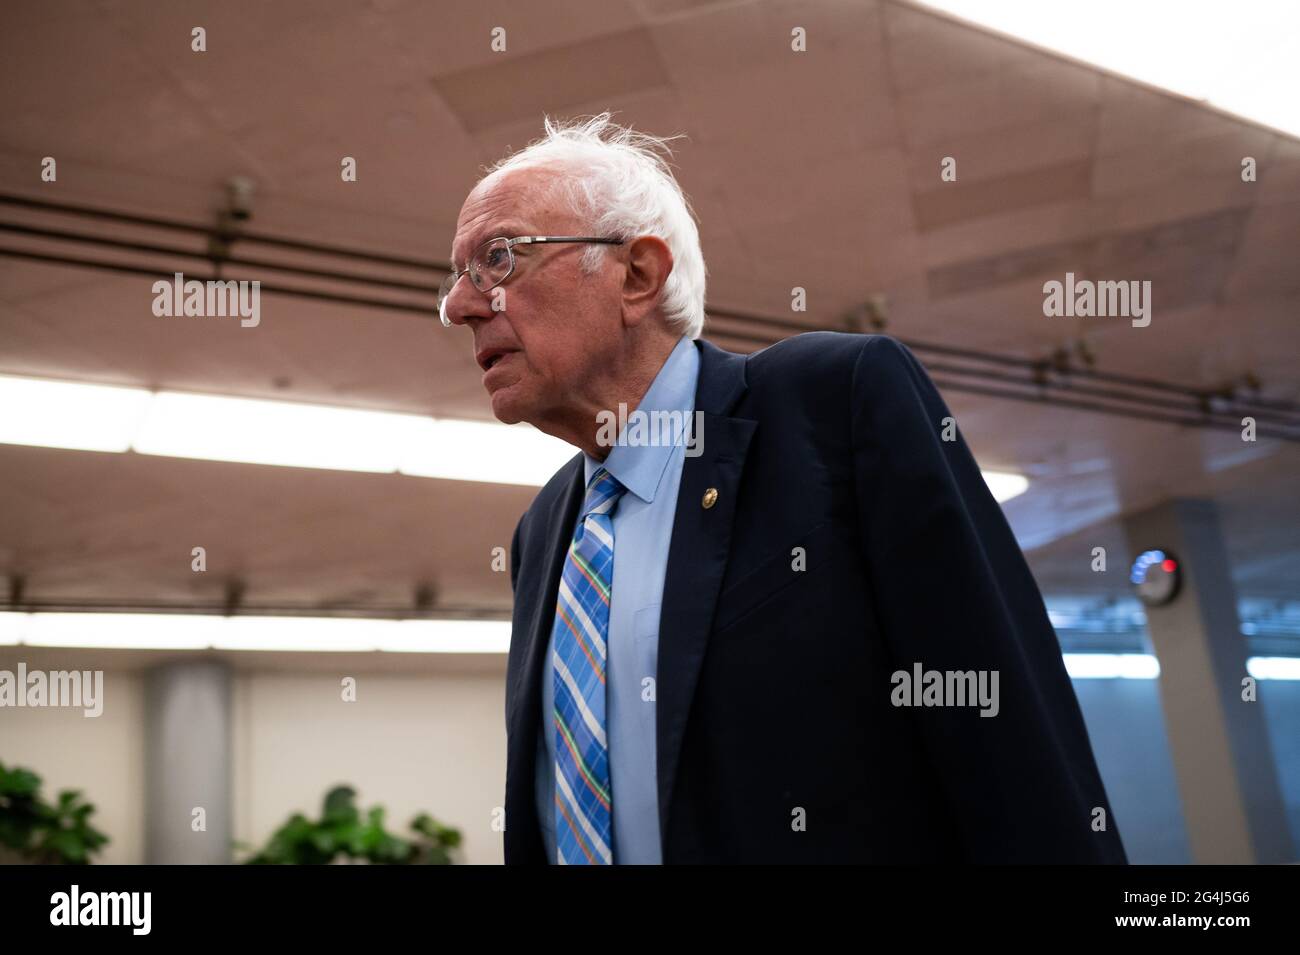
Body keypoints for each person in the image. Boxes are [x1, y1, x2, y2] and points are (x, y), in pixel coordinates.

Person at [439, 112, 1127, 865]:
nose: (459, 305)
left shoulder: (835, 406)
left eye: (498, 258)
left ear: (636, 274)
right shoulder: (544, 530)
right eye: (458, 277)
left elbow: (1011, 739)